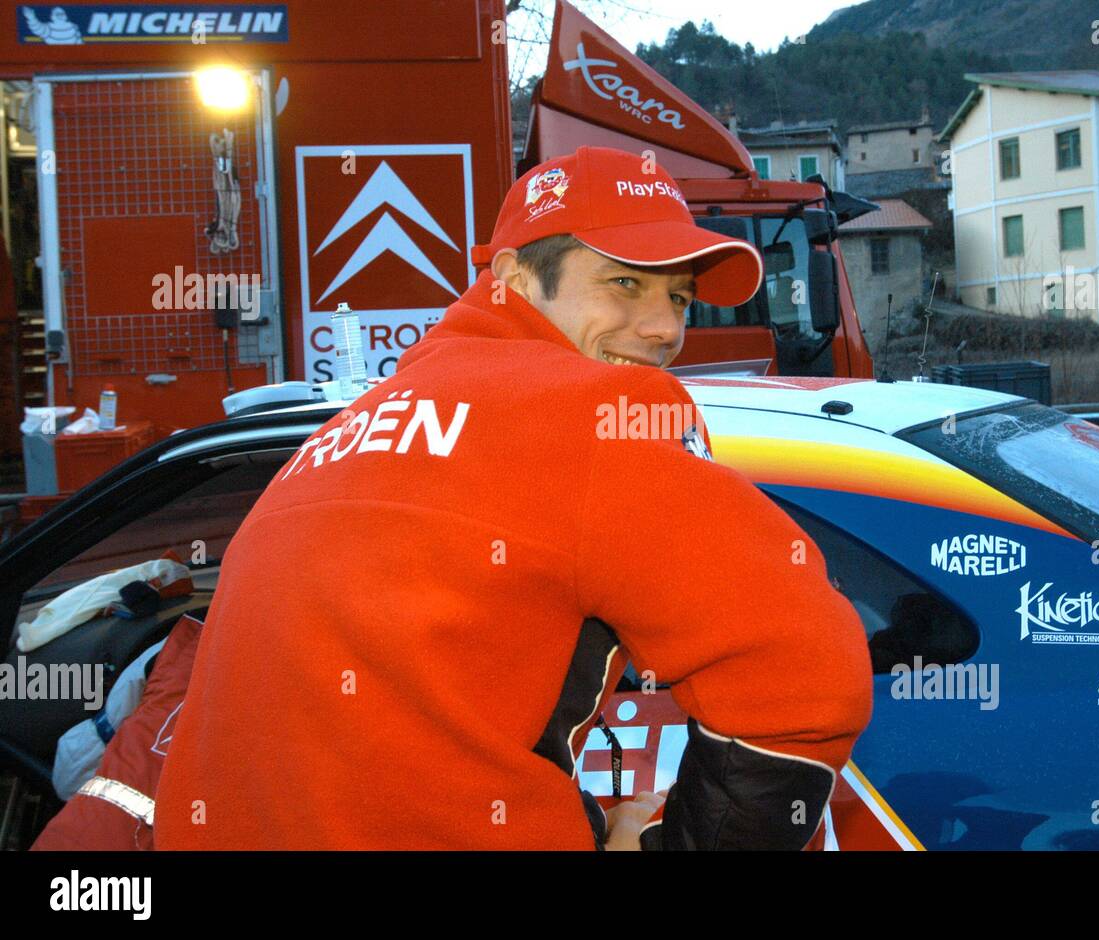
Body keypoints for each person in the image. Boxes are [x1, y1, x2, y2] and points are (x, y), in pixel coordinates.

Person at [154, 145, 873, 851]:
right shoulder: (601, 411)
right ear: (514, 281)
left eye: (678, 296)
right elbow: (808, 674)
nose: (665, 330)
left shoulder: (344, 430)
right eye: (625, 284)